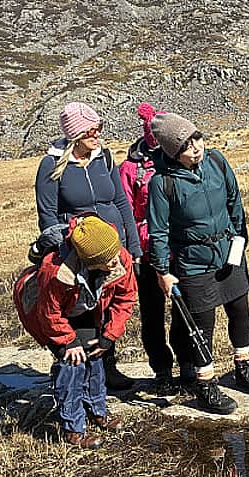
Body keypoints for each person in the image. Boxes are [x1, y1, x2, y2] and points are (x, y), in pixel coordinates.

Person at [146, 112, 249, 415]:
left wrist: (239, 239)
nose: (196, 148)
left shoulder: (216, 161)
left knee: (239, 310)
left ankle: (244, 366)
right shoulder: (162, 183)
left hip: (228, 252)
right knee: (202, 325)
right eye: (186, 146)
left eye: (196, 138)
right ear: (173, 153)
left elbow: (234, 200)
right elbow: (158, 231)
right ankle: (205, 384)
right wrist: (162, 271)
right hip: (193, 263)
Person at [35, 101, 142, 391]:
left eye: (99, 128)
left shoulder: (103, 157)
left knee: (110, 303)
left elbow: (121, 201)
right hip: (78, 252)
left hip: (113, 245)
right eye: (91, 131)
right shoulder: (51, 165)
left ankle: (108, 366)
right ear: (75, 135)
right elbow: (48, 216)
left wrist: (132, 244)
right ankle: (78, 370)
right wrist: (65, 251)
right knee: (83, 308)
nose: (97, 135)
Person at [29, 215, 138, 449]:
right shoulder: (56, 271)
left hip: (85, 307)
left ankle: (97, 410)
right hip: (49, 315)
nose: (115, 261)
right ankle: (73, 428)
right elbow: (48, 313)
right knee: (72, 364)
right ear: (90, 261)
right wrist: (68, 341)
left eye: (115, 253)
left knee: (95, 354)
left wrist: (109, 335)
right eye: (107, 259)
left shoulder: (119, 256)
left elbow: (126, 297)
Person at [120, 103, 193, 396]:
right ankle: (161, 369)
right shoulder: (129, 169)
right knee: (152, 313)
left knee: (183, 306)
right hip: (146, 251)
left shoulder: (178, 160)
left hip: (179, 247)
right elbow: (125, 212)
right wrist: (132, 250)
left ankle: (187, 361)